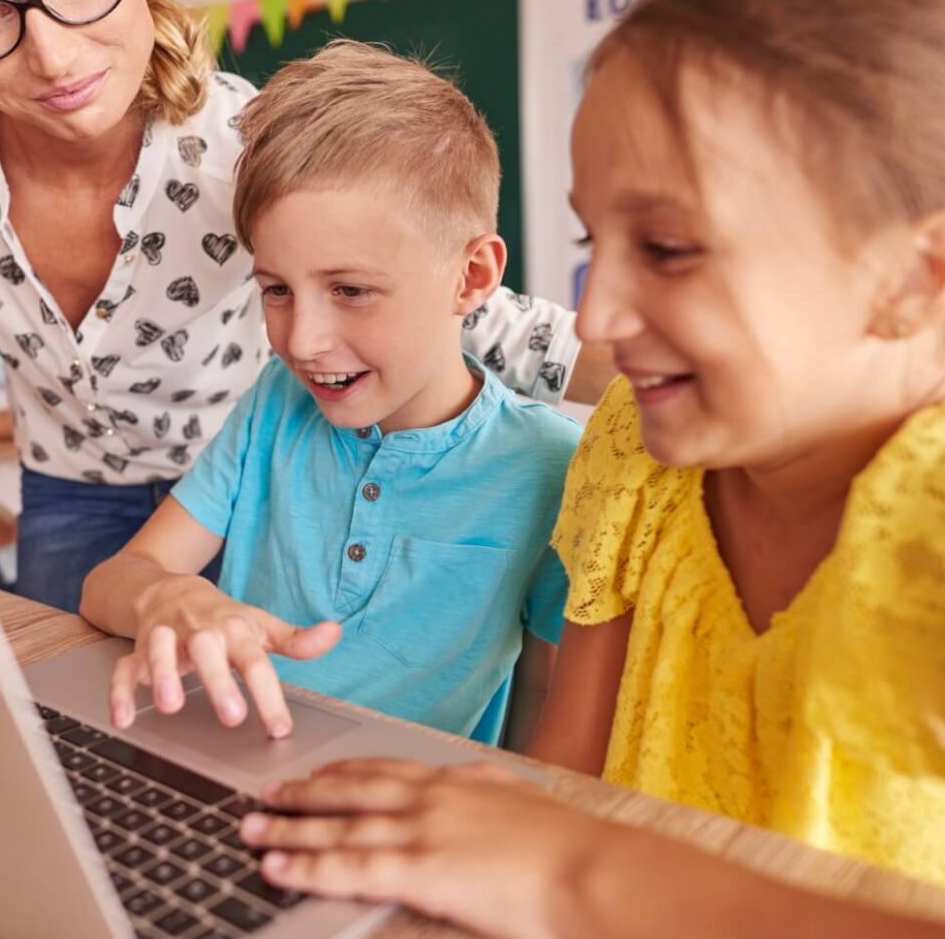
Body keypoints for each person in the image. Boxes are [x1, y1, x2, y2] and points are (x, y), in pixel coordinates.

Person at [237, 0, 945, 939]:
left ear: (915, 276)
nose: (597, 317)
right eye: (595, 240)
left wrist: (581, 879)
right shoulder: (632, 444)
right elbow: (565, 781)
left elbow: (569, 856)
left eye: (670, 248)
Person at [0, 0, 615, 611]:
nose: (52, 58)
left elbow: (460, 304)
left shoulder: (236, 146)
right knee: (63, 698)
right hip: (68, 484)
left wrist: (675, 381)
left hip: (246, 473)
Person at [81, 41, 582, 744]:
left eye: (350, 290)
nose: (303, 340)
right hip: (229, 759)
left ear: (471, 277)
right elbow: (111, 581)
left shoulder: (555, 466)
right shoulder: (275, 404)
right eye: (276, 290)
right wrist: (165, 595)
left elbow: (557, 704)